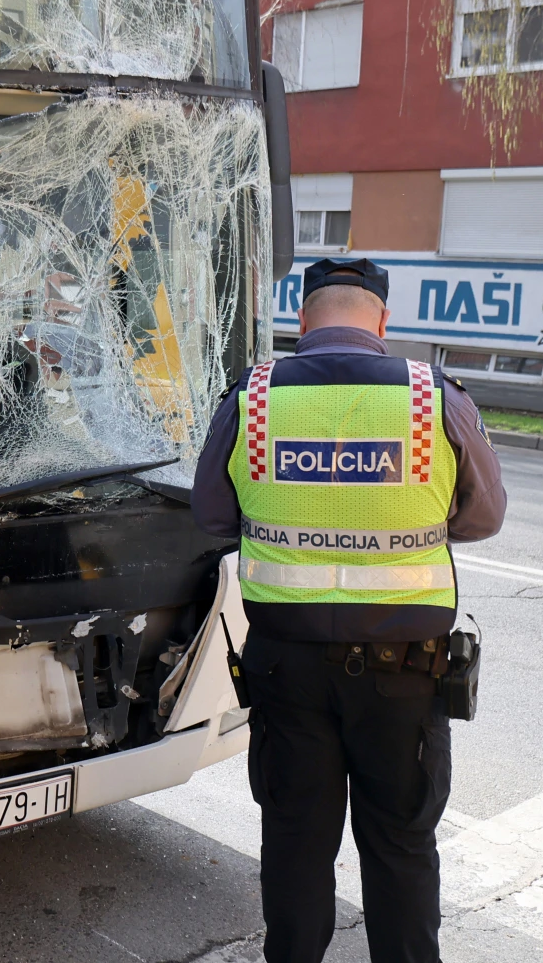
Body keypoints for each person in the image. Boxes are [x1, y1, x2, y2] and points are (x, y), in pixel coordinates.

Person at [190, 257, 506, 963]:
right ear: (382, 320)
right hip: (405, 676)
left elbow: (211, 516)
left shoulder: (253, 397)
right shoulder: (432, 397)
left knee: (296, 844)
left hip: (287, 670)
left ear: (303, 318)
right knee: (400, 845)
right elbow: (483, 517)